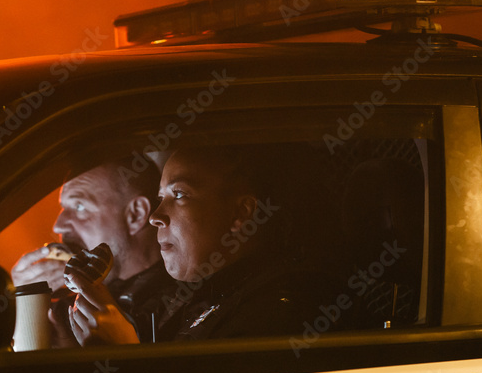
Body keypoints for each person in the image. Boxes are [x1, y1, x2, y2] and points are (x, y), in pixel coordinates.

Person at [68, 146, 320, 343]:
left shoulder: (278, 315)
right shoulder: (182, 298)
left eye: (179, 194)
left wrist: (123, 359)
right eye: (160, 197)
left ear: (239, 213)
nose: (155, 216)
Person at [11, 158, 175, 346]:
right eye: (63, 208)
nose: (59, 226)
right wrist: (26, 304)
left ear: (135, 214)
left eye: (79, 206)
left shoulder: (184, 308)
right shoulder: (62, 309)